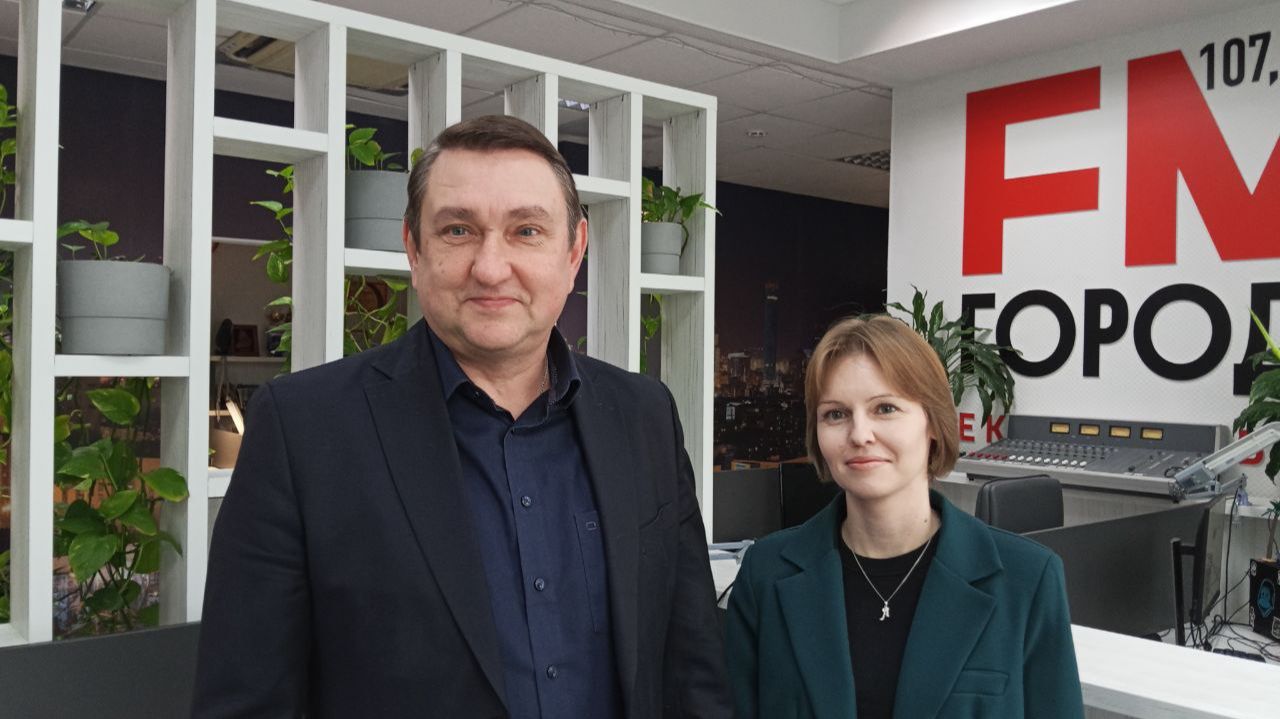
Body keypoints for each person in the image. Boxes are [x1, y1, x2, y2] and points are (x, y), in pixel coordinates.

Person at [193, 115, 731, 718]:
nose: (490, 267)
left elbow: (693, 671)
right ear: (413, 247)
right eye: (458, 230)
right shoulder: (304, 429)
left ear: (574, 251)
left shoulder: (644, 415)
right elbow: (246, 700)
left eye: (527, 230)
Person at [724, 315, 1082, 718]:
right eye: (836, 414)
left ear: (933, 424)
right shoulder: (767, 574)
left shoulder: (1027, 580)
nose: (860, 434)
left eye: (885, 408)